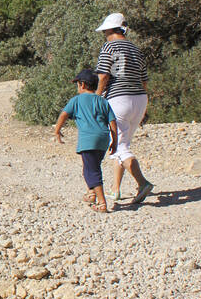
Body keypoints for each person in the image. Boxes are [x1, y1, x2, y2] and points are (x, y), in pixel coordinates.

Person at [94, 13, 154, 206]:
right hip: (140, 98)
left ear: (111, 30)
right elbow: (144, 80)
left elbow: (104, 76)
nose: (104, 34)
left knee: (119, 146)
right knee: (123, 144)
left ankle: (142, 183)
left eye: (105, 31)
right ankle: (116, 189)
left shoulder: (109, 46)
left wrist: (96, 98)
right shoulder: (136, 49)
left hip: (118, 98)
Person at [53, 69, 118, 212]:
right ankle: (91, 193)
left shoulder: (76, 100)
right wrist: (115, 141)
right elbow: (112, 122)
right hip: (103, 139)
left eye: (77, 84)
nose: (77, 87)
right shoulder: (102, 101)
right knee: (91, 167)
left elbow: (63, 115)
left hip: (88, 140)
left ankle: (102, 203)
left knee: (92, 170)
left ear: (82, 84)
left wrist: (57, 131)